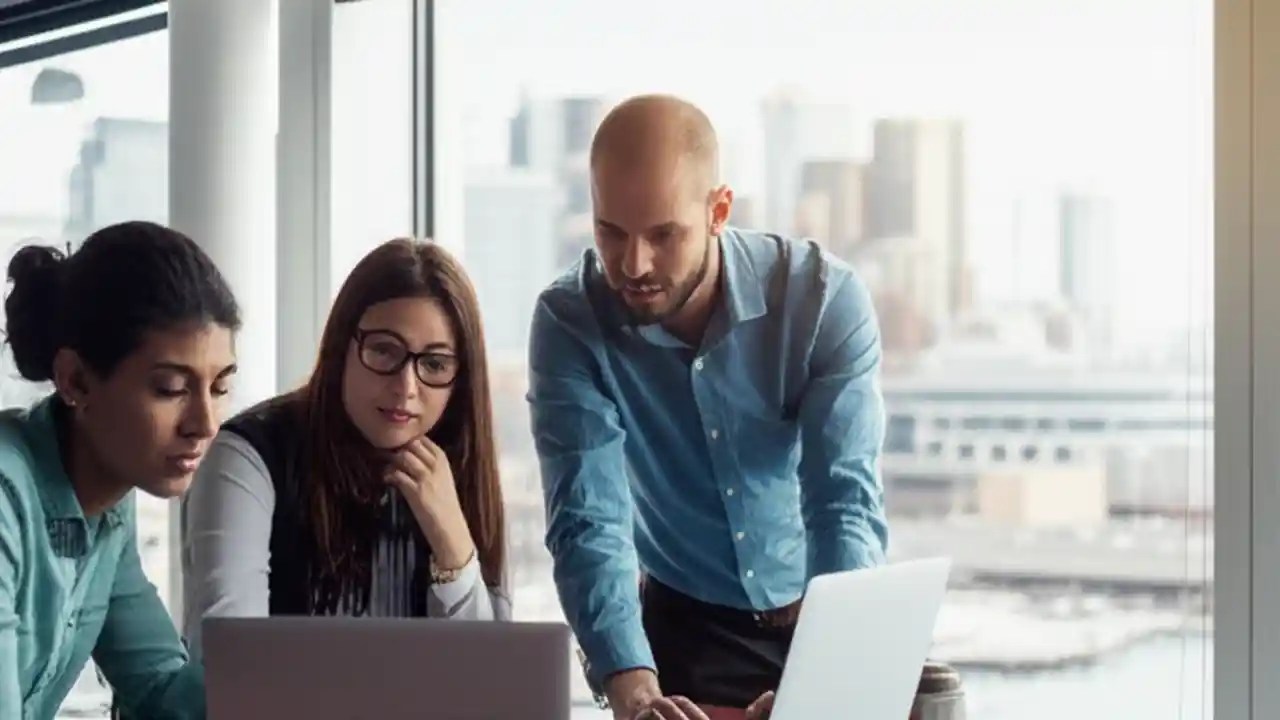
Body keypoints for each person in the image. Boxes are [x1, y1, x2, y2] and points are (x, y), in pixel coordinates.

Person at [528, 94, 890, 720]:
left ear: (718, 210)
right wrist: (634, 694)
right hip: (684, 633)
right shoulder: (569, 320)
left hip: (820, 609)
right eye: (610, 233)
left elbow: (843, 502)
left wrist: (832, 667)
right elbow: (589, 522)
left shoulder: (822, 302)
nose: (633, 265)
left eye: (663, 235)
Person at [181, 238, 508, 656]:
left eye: (435, 364)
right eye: (383, 350)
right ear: (342, 347)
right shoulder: (249, 456)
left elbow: (492, 681)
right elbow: (227, 660)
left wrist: (453, 546)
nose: (406, 387)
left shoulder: (462, 470)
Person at [0, 221, 240, 719]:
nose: (204, 424)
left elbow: (159, 689)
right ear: (76, 380)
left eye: (218, 387)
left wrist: (299, 681)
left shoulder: (107, 504)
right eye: (171, 388)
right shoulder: (7, 498)